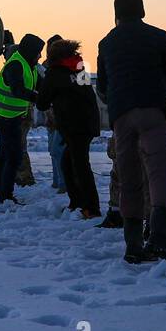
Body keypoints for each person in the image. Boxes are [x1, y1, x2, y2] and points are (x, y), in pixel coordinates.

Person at [96, 0, 166, 266]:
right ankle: (161, 238)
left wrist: (118, 100)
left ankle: (133, 245)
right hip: (151, 110)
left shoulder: (106, 43)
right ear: (142, 10)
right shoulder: (158, 36)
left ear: (116, 14)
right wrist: (160, 94)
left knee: (129, 178)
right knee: (161, 174)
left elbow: (102, 86)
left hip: (121, 115)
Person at [35, 38, 102, 218]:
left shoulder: (55, 73)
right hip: (86, 123)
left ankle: (91, 208)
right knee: (69, 163)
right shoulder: (79, 68)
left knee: (80, 166)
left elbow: (42, 103)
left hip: (73, 126)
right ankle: (78, 203)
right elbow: (86, 95)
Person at [0, 33, 43, 203]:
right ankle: (5, 195)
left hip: (12, 116)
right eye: (38, 52)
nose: (40, 56)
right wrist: (39, 99)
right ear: (30, 51)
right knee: (14, 156)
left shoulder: (30, 66)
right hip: (4, 117)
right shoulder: (16, 65)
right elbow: (18, 90)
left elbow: (40, 84)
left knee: (5, 152)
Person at [42, 35, 69, 195]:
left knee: (58, 150)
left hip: (64, 116)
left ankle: (63, 184)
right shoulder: (45, 66)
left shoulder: (77, 65)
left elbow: (84, 90)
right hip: (50, 116)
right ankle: (56, 182)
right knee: (53, 150)